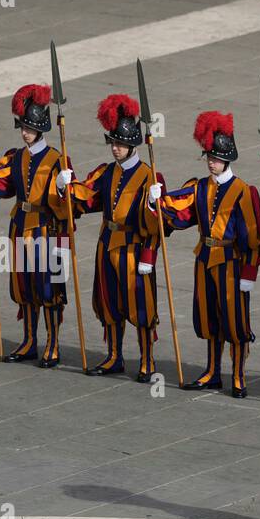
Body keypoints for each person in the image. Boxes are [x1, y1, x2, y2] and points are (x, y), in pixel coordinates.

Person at [150, 111, 260, 397]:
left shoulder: (243, 191)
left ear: (226, 158)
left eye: (214, 158)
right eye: (208, 157)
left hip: (232, 264)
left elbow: (254, 237)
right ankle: (212, 371)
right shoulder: (200, 186)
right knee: (209, 319)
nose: (210, 161)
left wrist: (249, 273)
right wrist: (158, 201)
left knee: (235, 321)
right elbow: (181, 211)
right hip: (204, 259)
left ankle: (238, 375)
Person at [59, 94, 162, 381]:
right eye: (113, 143)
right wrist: (66, 187)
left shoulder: (149, 177)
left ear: (132, 145)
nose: (115, 148)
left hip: (134, 249)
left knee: (141, 307)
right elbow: (87, 198)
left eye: (120, 144)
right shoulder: (106, 172)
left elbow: (158, 227)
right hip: (107, 245)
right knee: (109, 304)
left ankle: (146, 359)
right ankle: (114, 356)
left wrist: (149, 256)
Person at [0, 83, 68, 366]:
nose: (24, 132)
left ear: (40, 128)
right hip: (21, 224)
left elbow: (66, 207)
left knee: (49, 289)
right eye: (22, 126)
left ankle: (52, 343)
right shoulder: (17, 156)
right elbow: (1, 186)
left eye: (28, 127)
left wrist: (63, 189)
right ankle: (29, 341)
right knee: (24, 288)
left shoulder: (57, 160)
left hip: (47, 230)